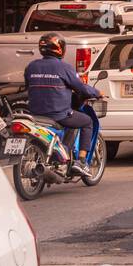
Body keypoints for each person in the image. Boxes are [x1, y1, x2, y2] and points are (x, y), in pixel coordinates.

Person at [23, 32, 104, 177]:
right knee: (87, 122)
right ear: (60, 49)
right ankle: (81, 161)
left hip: (35, 114)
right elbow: (81, 88)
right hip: (58, 114)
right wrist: (97, 92)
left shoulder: (31, 67)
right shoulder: (64, 68)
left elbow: (28, 85)